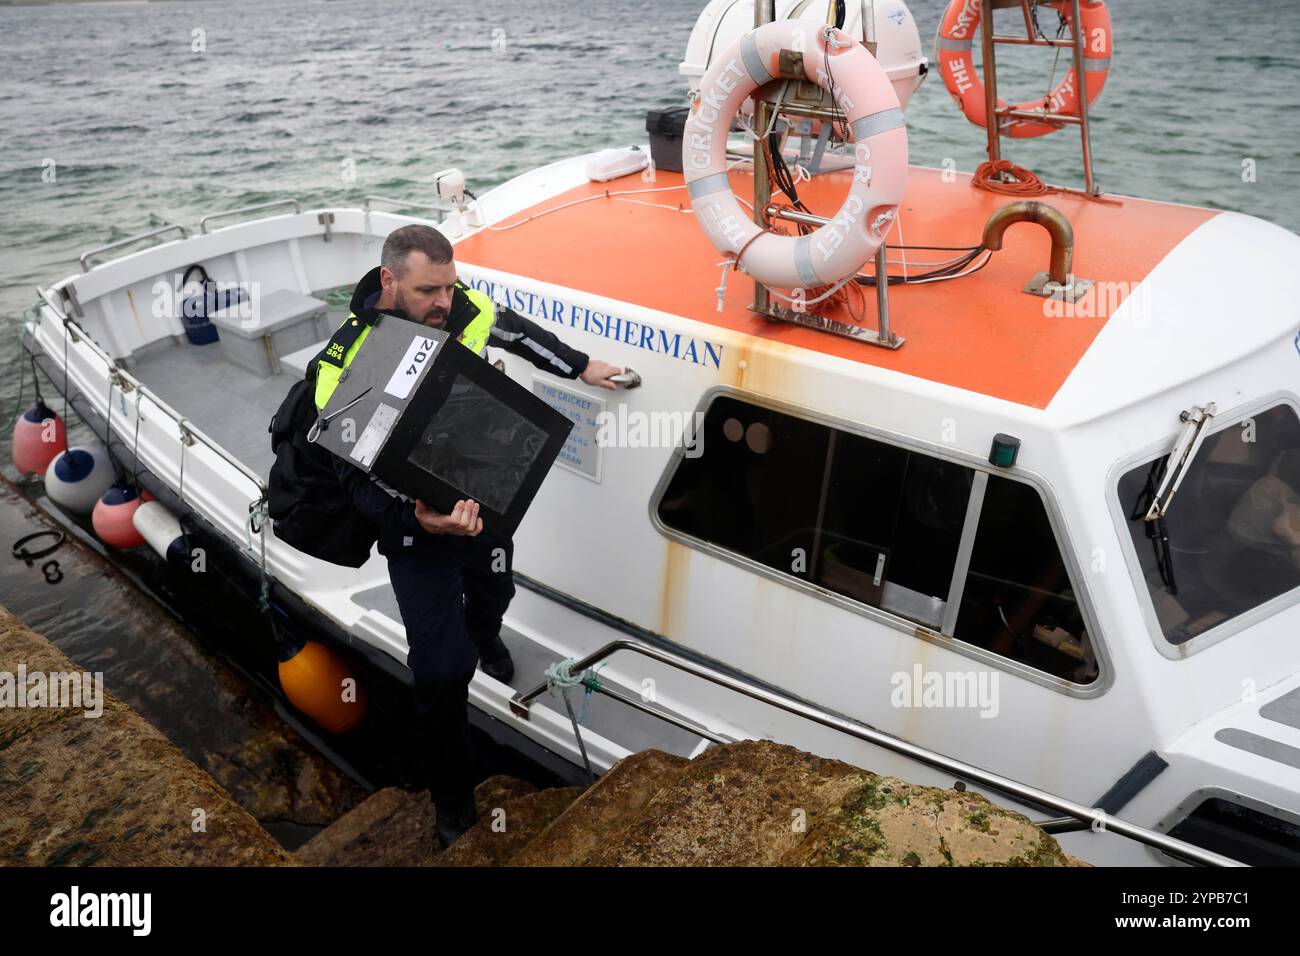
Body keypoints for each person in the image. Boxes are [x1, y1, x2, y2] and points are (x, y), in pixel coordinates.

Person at [312, 224, 622, 847]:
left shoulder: (464, 305)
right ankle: (452, 800)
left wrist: (582, 365)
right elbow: (351, 482)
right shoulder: (342, 363)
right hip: (414, 529)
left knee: (496, 592)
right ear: (388, 282)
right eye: (429, 291)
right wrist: (415, 520)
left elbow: (513, 329)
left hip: (483, 503)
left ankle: (487, 635)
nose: (444, 302)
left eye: (450, 287)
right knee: (440, 673)